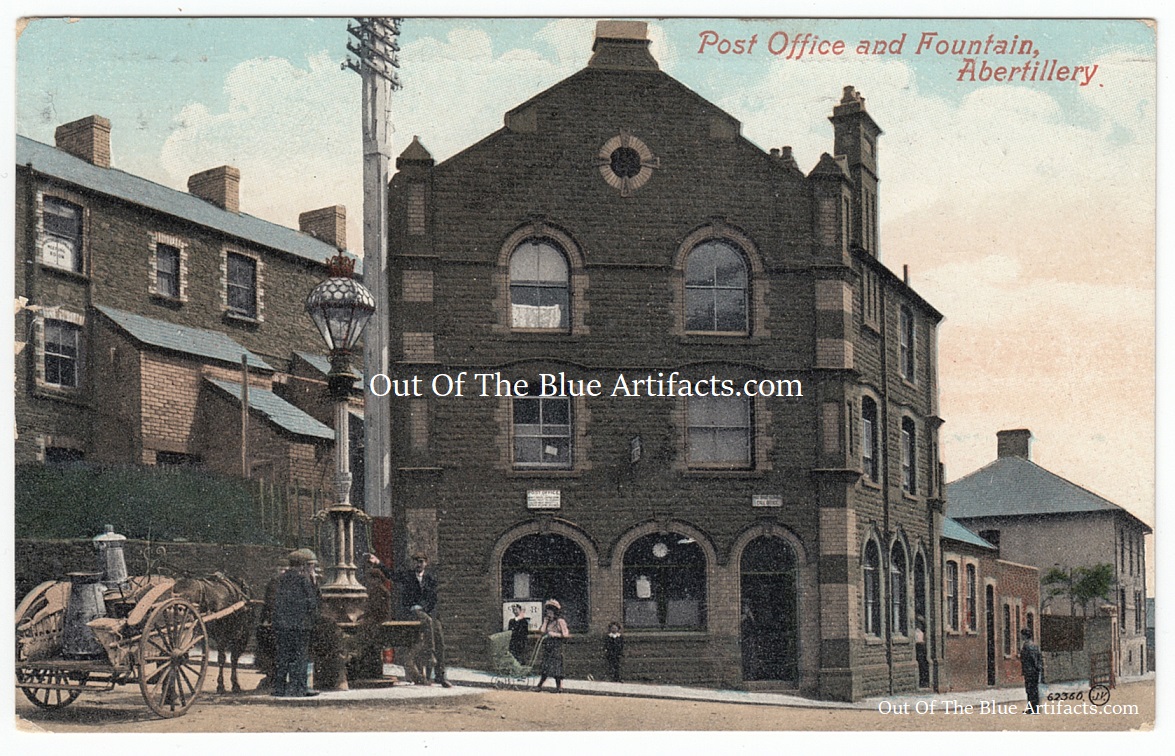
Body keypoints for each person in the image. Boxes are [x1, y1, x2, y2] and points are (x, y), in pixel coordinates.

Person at [368, 552, 451, 687]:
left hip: (426, 612)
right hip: (411, 612)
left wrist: (425, 608)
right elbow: (391, 575)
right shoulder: (408, 576)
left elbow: (433, 599)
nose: (419, 564)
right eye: (416, 561)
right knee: (427, 622)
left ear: (426, 563)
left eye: (421, 561)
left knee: (438, 632)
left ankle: (440, 675)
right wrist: (378, 563)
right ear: (413, 563)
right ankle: (430, 656)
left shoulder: (430, 579)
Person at [271, 548, 320, 697]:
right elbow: (312, 603)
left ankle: (279, 688)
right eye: (311, 565)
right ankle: (299, 688)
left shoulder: (280, 580)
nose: (313, 569)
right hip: (300, 626)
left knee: (283, 656)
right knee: (300, 657)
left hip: (282, 625)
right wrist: (314, 582)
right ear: (303, 566)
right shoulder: (304, 581)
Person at [535, 599, 570, 693]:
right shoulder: (548, 622)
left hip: (556, 646)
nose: (548, 613)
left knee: (556, 667)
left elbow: (566, 634)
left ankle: (559, 687)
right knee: (545, 666)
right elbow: (542, 631)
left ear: (555, 612)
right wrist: (545, 622)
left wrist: (555, 634)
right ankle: (539, 685)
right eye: (547, 611)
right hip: (548, 646)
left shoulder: (560, 621)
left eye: (550, 611)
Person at [1020, 627, 1044, 713]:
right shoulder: (1035, 645)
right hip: (1035, 671)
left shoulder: (1027, 646)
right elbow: (1039, 658)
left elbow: (1032, 658)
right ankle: (1035, 708)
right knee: (1034, 690)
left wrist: (1033, 668)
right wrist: (1038, 668)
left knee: (1030, 690)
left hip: (1030, 671)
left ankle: (1031, 709)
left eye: (1022, 635)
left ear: (1025, 636)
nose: (1021, 637)